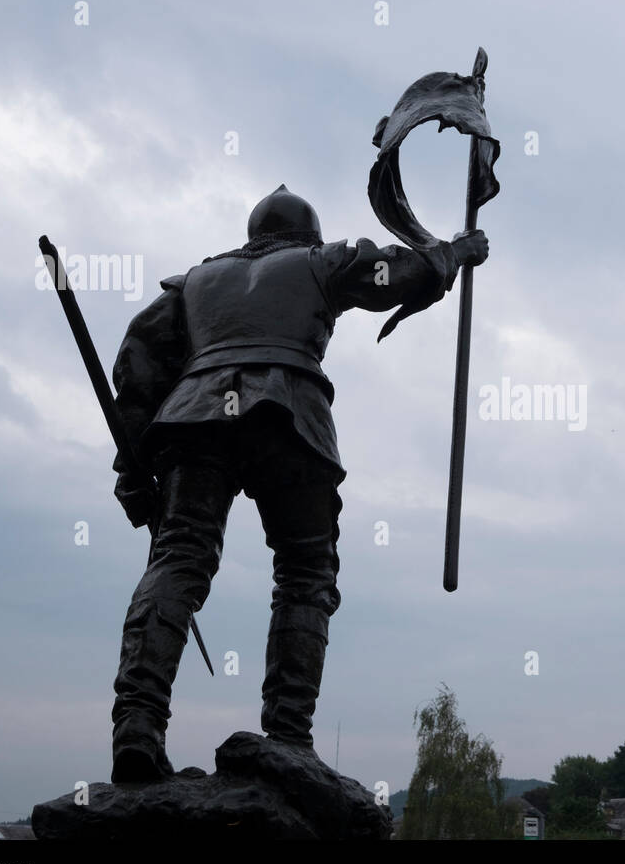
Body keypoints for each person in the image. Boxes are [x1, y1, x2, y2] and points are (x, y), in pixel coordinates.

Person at [107, 184, 488, 783]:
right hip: (289, 415)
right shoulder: (322, 260)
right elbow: (399, 273)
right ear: (304, 233)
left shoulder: (192, 284)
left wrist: (131, 468)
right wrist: (454, 254)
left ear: (252, 234)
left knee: (179, 558)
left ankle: (136, 724)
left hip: (197, 416)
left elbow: (137, 366)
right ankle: (287, 736)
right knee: (306, 572)